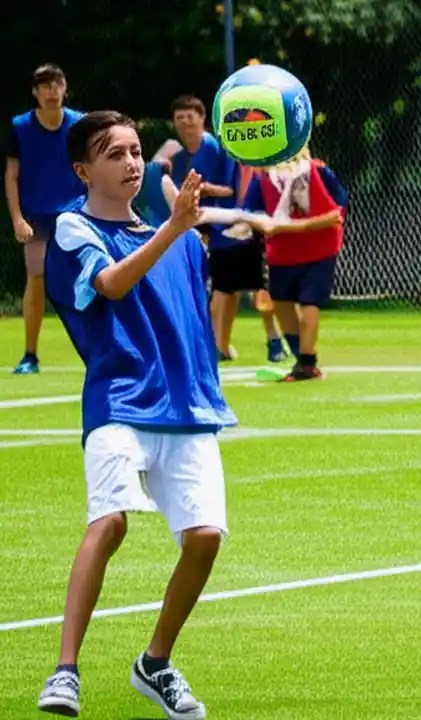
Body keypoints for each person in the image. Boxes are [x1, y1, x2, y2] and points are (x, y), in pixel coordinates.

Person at [36, 111, 239, 720]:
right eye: (114, 153)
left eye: (136, 150)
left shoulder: (175, 240)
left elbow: (188, 314)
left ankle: (155, 663)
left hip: (186, 407)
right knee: (111, 521)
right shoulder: (73, 228)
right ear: (83, 169)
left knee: (204, 539)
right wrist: (174, 229)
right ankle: (65, 671)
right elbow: (114, 284)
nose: (130, 162)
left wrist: (187, 233)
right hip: (119, 402)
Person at [161, 95, 286, 363]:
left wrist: (205, 190)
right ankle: (221, 345)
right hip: (216, 227)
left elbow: (232, 188)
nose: (185, 122)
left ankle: (274, 339)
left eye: (190, 116)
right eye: (179, 117)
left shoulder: (217, 149)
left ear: (202, 118)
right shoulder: (181, 157)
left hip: (241, 223)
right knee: (223, 288)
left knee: (256, 286)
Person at [3, 64, 85, 375]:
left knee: (93, 279)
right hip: (37, 216)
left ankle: (104, 349)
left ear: (65, 88)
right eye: (44, 86)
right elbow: (12, 176)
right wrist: (17, 219)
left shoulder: (80, 125)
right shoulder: (20, 127)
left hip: (77, 214)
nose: (51, 91)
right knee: (35, 278)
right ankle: (30, 355)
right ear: (35, 93)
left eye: (56, 84)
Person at [241, 147, 347, 381]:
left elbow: (337, 210)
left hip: (316, 248)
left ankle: (306, 362)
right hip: (286, 251)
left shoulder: (314, 170)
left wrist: (285, 227)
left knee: (306, 301)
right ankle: (303, 358)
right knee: (283, 301)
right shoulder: (266, 177)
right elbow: (250, 212)